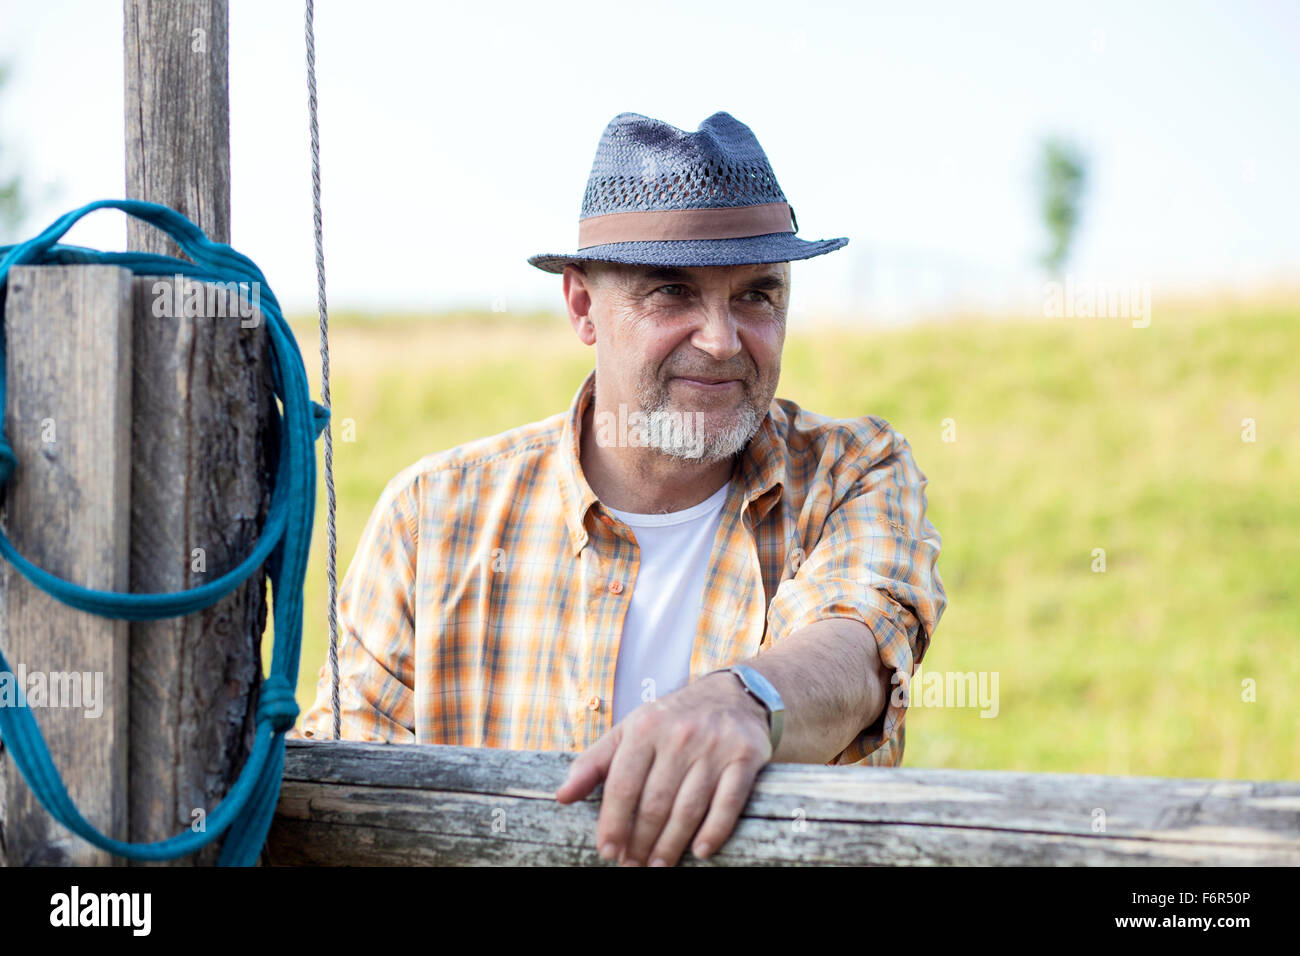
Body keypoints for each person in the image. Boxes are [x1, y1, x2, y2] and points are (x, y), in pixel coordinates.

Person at [294, 111, 947, 867]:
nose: (722, 339)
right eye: (672, 292)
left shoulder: (851, 472)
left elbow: (862, 644)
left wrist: (743, 703)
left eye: (757, 295)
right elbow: (343, 798)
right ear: (581, 306)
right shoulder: (431, 518)